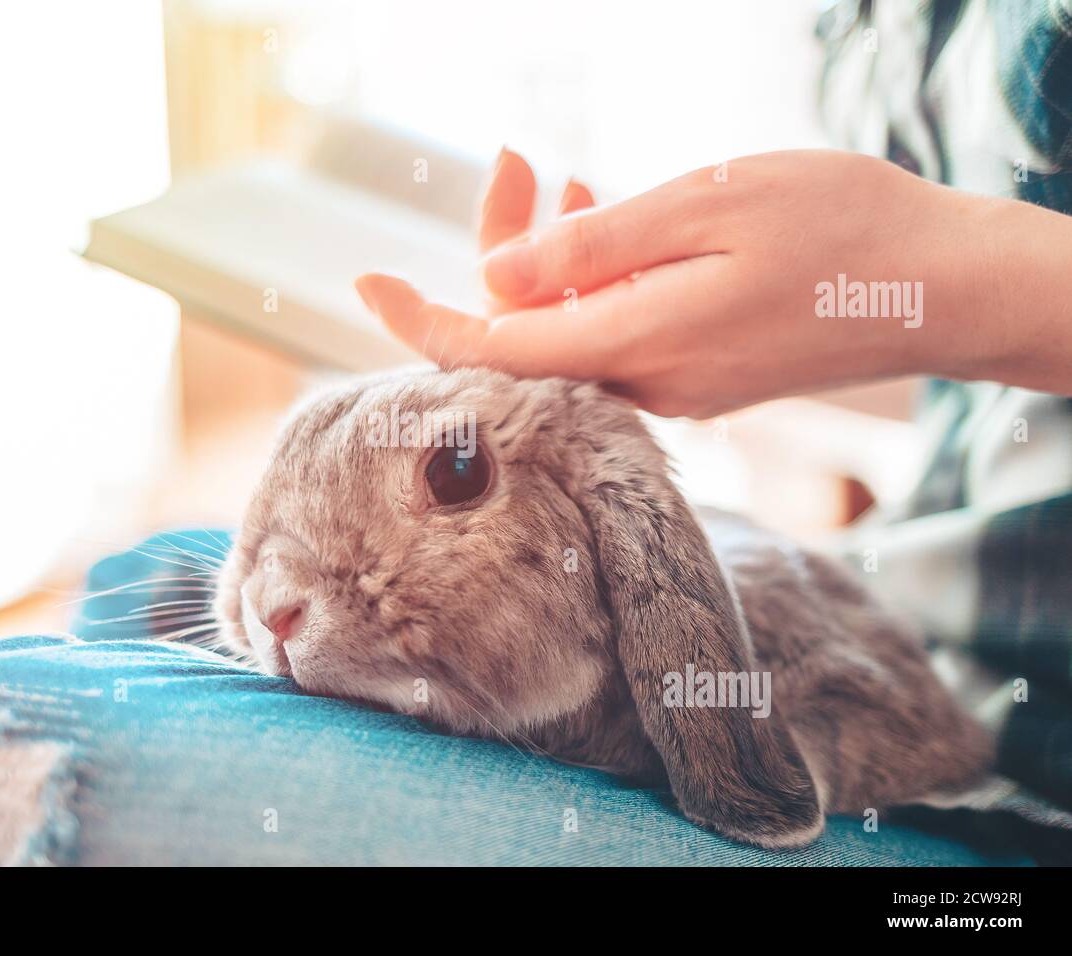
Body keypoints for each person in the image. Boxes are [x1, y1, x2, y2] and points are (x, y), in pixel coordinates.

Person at [357, 1, 1072, 811]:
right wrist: (675, 327)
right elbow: (969, 376)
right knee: (194, 564)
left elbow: (975, 303)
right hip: (917, 608)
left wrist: (936, 284)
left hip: (1026, 753)